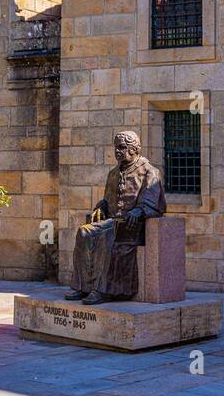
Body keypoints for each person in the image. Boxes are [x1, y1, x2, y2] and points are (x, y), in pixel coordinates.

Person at [65, 130, 166, 305]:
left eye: (122, 148)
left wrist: (140, 210)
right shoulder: (113, 173)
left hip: (134, 225)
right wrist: (102, 205)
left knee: (107, 236)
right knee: (83, 232)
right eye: (116, 148)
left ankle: (104, 290)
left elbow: (153, 202)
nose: (117, 151)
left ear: (134, 149)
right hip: (113, 222)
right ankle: (83, 287)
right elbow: (108, 199)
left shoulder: (150, 171)